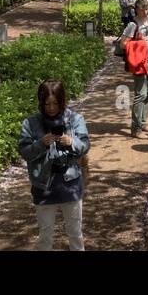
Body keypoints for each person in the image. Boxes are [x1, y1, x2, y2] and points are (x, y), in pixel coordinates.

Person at [17, 79, 91, 251]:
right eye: (46, 104)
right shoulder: (30, 123)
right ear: (41, 103)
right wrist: (40, 143)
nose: (51, 108)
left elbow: (85, 145)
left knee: (75, 233)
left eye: (55, 103)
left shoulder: (75, 119)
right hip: (44, 186)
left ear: (62, 101)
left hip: (70, 184)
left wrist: (71, 142)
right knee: (45, 234)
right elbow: (24, 152)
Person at [118, 0, 148, 137]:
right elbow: (123, 43)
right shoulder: (132, 24)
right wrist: (138, 44)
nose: (146, 11)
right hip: (140, 64)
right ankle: (135, 128)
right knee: (140, 95)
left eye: (147, 8)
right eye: (143, 9)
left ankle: (143, 123)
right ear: (137, 10)